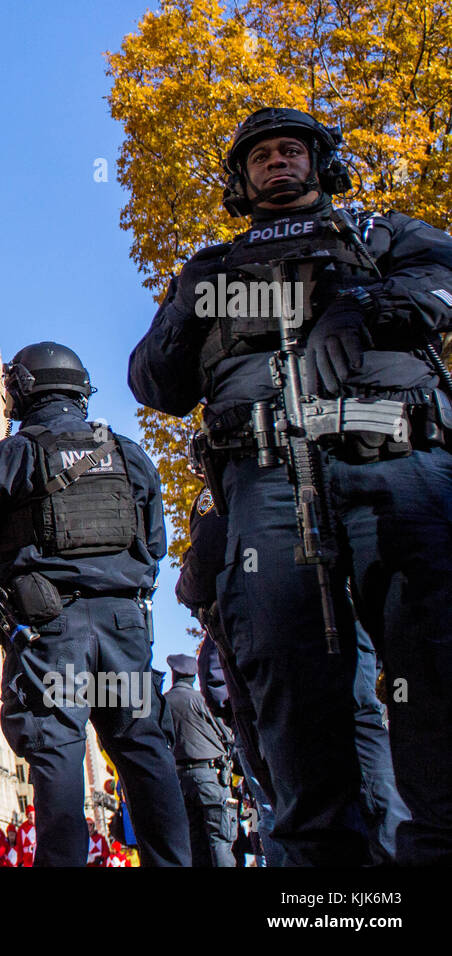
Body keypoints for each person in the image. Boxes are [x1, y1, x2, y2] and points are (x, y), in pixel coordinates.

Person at [130, 106, 452, 864]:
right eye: (261, 157)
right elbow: (154, 384)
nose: (277, 164)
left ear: (320, 163)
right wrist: (184, 305)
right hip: (268, 487)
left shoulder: (381, 235)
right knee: (293, 702)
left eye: (290, 151)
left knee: (434, 678)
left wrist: (373, 304)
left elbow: (445, 281)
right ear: (241, 180)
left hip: (395, 467)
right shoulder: (211, 271)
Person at [0, 342, 190, 867]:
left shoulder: (6, 458)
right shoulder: (129, 454)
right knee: (145, 750)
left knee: (57, 756)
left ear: (23, 390)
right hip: (125, 627)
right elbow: (156, 543)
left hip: (49, 630)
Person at [177, 474, 408, 866]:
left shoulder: (229, 486)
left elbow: (204, 565)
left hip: (276, 627)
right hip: (342, 619)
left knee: (291, 775)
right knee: (365, 733)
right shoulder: (321, 462)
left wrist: (186, 585)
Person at [163, 654, 237, 867]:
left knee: (195, 842)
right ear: (194, 677)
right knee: (220, 838)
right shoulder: (201, 699)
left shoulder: (164, 703)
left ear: (174, 675)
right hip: (210, 775)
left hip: (180, 779)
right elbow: (228, 734)